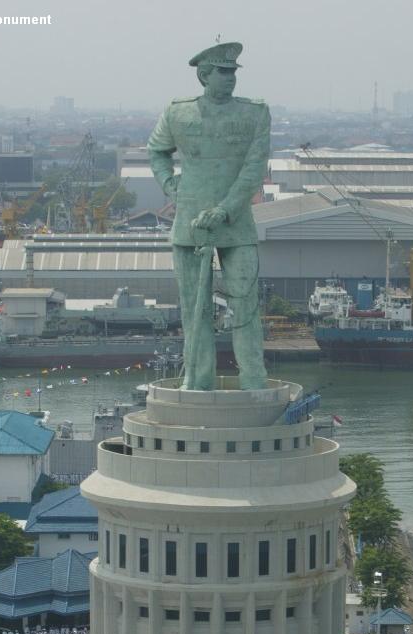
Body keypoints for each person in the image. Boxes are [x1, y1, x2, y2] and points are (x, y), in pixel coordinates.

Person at [148, 41, 270, 391]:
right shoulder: (177, 113)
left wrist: (225, 209)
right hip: (189, 224)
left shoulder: (255, 113)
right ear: (204, 75)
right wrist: (172, 187)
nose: (230, 79)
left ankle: (254, 380)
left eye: (233, 72)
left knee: (245, 305)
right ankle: (197, 379)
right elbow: (156, 152)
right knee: (194, 310)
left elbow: (253, 168)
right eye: (223, 72)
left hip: (237, 225)